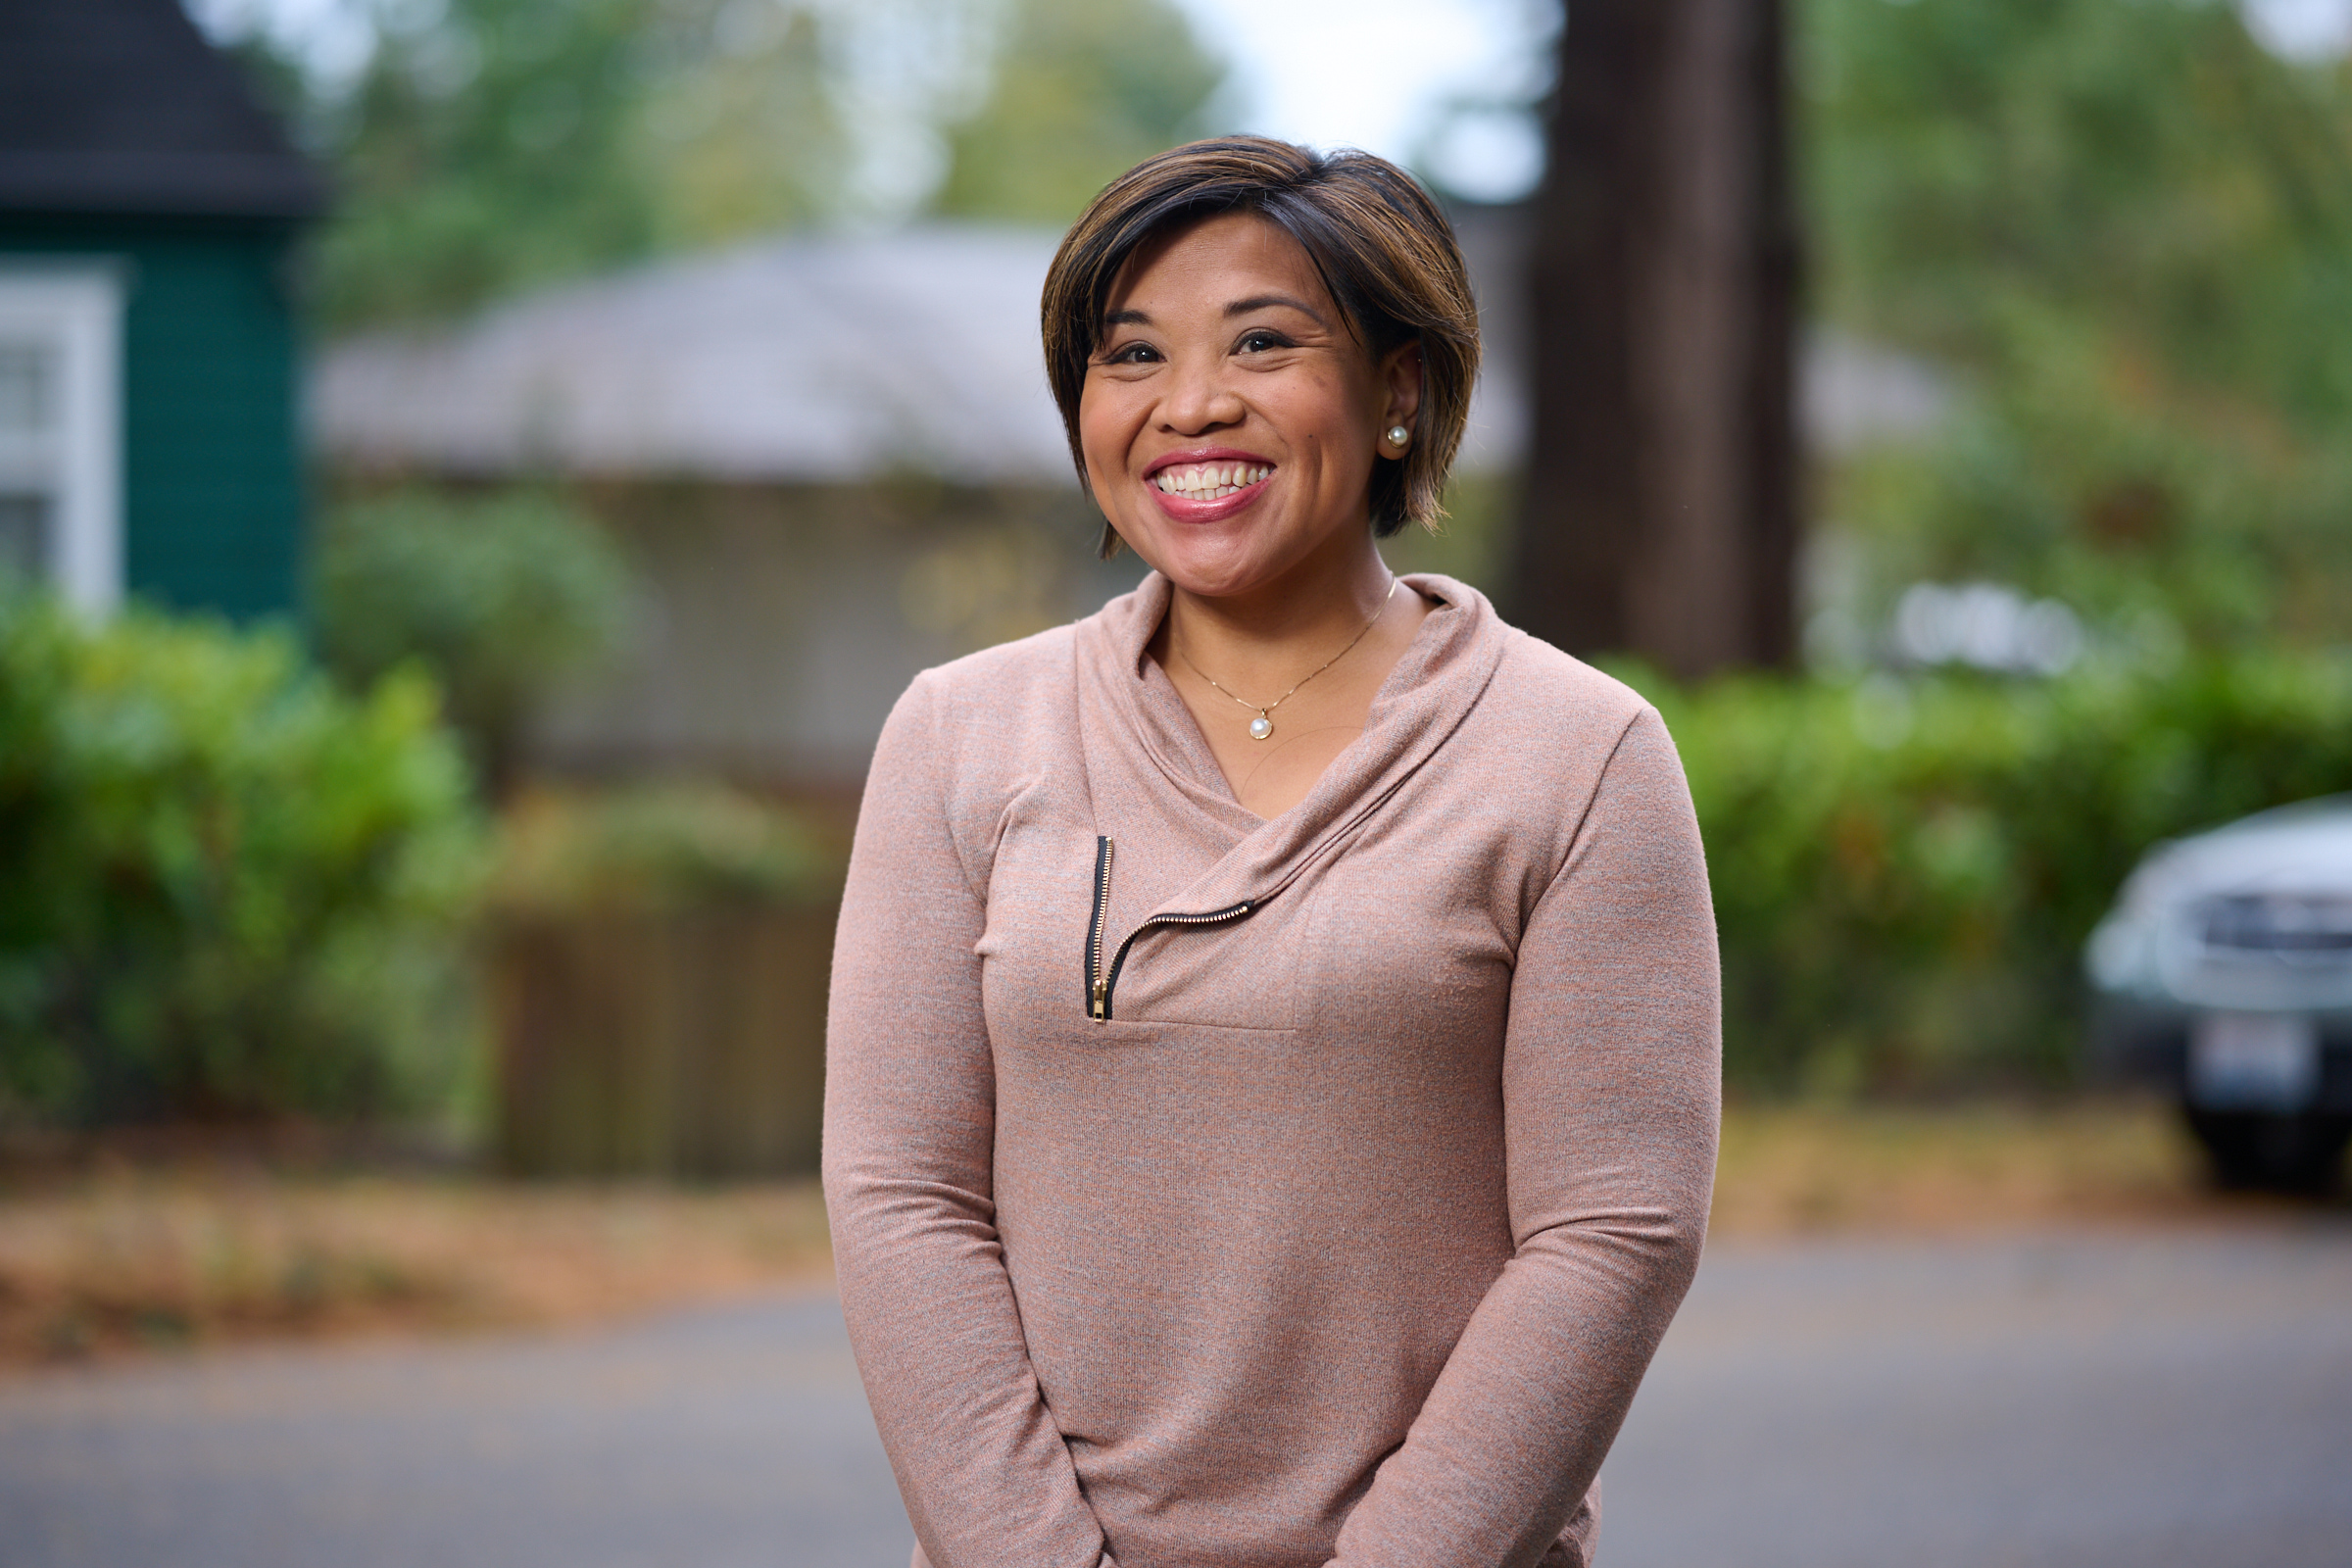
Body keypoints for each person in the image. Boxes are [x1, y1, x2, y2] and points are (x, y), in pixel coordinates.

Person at [823, 136, 1720, 1568]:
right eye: (1132, 356)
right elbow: (901, 1200)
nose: (1190, 405)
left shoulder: (1579, 755)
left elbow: (1614, 1234)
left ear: (1398, 392)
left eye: (1262, 342)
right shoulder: (959, 737)